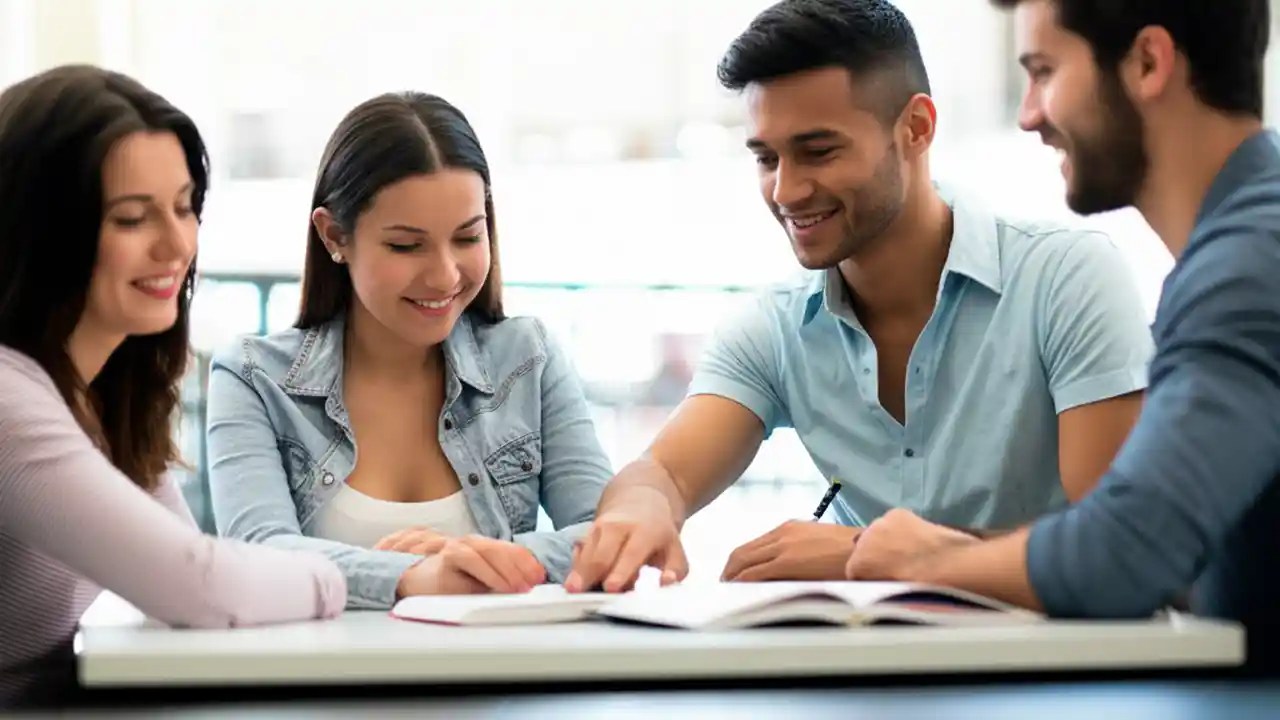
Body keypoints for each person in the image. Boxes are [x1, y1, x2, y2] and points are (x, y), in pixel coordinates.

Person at [566, 0, 1154, 593]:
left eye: (818, 151)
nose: (787, 190)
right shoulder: (773, 327)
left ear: (917, 128)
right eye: (767, 158)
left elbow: (1121, 547)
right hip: (866, 671)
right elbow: (663, 471)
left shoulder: (1065, 280)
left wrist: (870, 554)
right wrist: (639, 508)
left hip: (1064, 674)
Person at [845, 0, 1280, 670]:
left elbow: (1128, 554)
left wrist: (931, 560)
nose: (1031, 114)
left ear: (1147, 62)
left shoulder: (1248, 267)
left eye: (1044, 71)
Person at [0, 65, 346, 708]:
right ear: (40, 234)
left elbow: (192, 563)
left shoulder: (100, 395)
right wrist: (339, 576)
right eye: (133, 219)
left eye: (185, 207)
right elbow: (204, 585)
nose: (176, 244)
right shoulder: (7, 400)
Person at [206, 92, 613, 610]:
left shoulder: (528, 359)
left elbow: (606, 535)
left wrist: (474, 558)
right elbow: (258, 554)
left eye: (467, 237)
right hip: (319, 685)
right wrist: (415, 575)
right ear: (334, 236)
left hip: (497, 681)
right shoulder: (253, 378)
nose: (445, 275)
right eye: (406, 246)